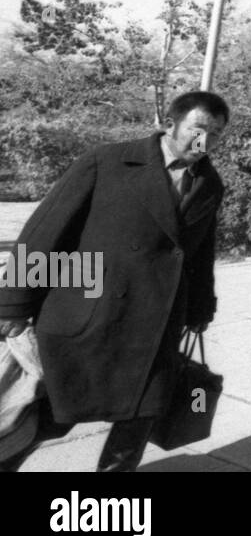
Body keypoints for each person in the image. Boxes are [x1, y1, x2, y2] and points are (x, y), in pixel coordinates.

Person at [0, 91, 228, 472]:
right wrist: (13, 305)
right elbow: (44, 233)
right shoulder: (107, 161)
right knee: (52, 418)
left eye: (216, 135)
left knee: (138, 423)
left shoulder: (209, 183)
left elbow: (200, 254)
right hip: (94, 316)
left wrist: (201, 307)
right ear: (170, 123)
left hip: (157, 328)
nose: (205, 142)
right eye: (198, 129)